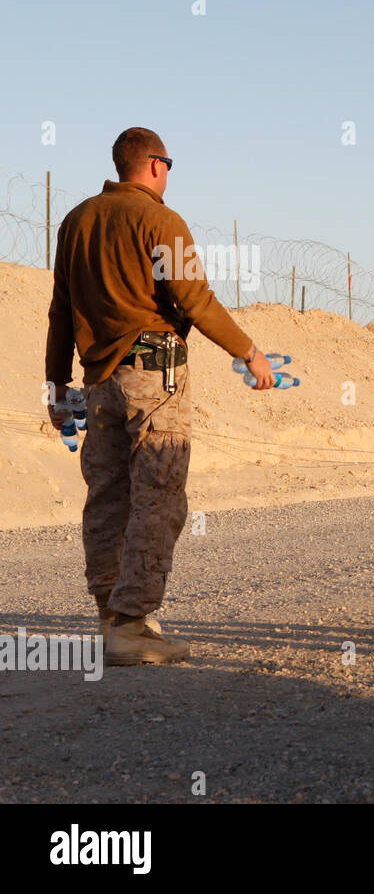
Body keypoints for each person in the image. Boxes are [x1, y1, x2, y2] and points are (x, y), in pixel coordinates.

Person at [44, 127, 277, 666]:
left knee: (106, 498)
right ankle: (132, 624)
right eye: (169, 163)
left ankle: (111, 616)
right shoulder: (159, 219)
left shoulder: (76, 221)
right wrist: (248, 352)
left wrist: (56, 389)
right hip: (155, 378)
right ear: (153, 164)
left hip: (96, 382)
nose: (169, 173)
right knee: (159, 496)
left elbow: (60, 311)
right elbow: (194, 297)